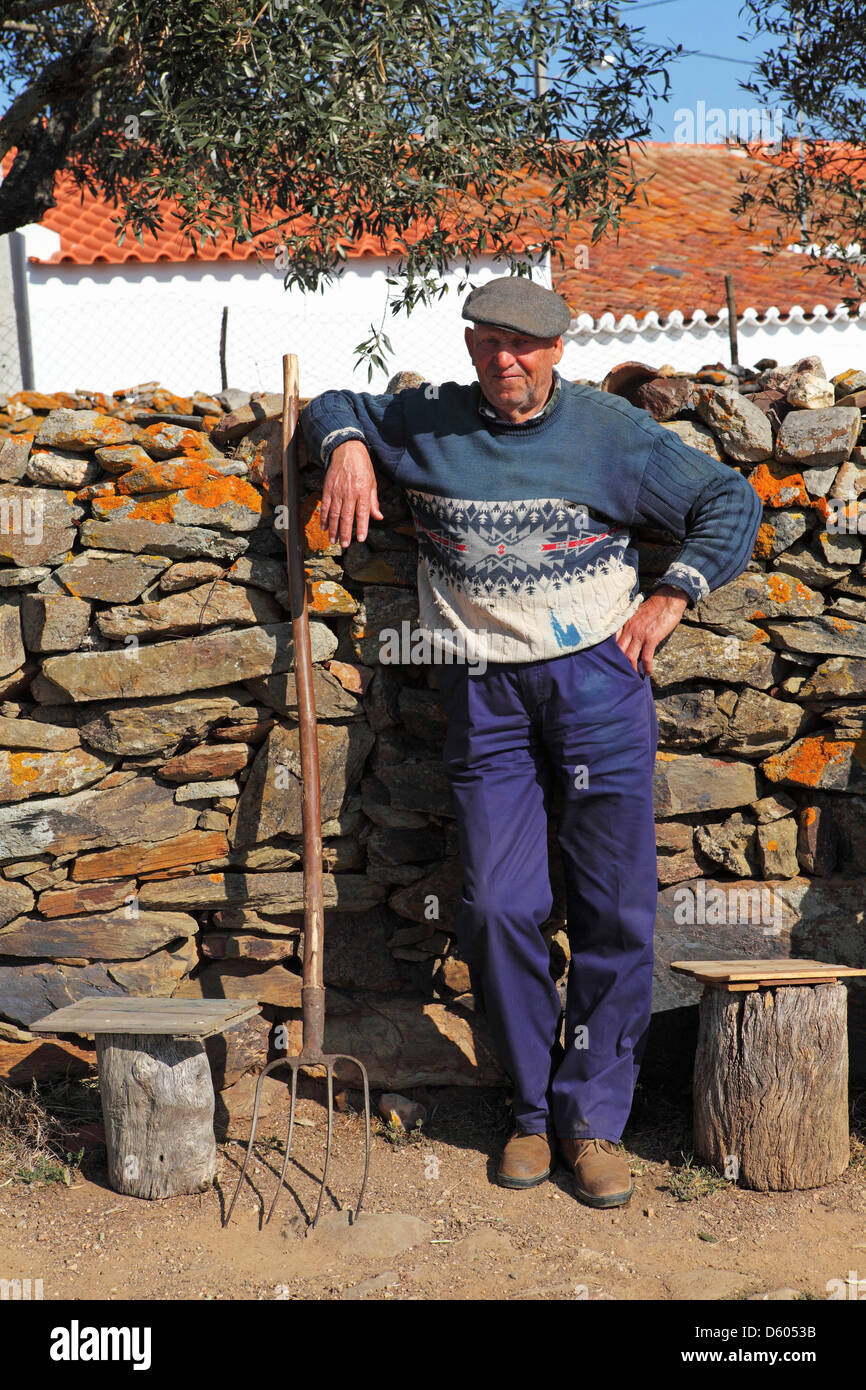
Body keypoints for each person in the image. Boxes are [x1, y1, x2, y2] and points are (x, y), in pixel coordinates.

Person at [300, 276, 763, 1208]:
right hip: (483, 692)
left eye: (523, 345)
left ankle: (591, 1120)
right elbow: (332, 402)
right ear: (469, 346)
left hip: (598, 679)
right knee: (499, 905)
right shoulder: (427, 420)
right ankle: (526, 1112)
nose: (502, 360)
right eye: (486, 342)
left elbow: (729, 500)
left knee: (614, 910)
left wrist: (674, 593)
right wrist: (348, 446)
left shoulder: (609, 434)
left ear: (557, 351)